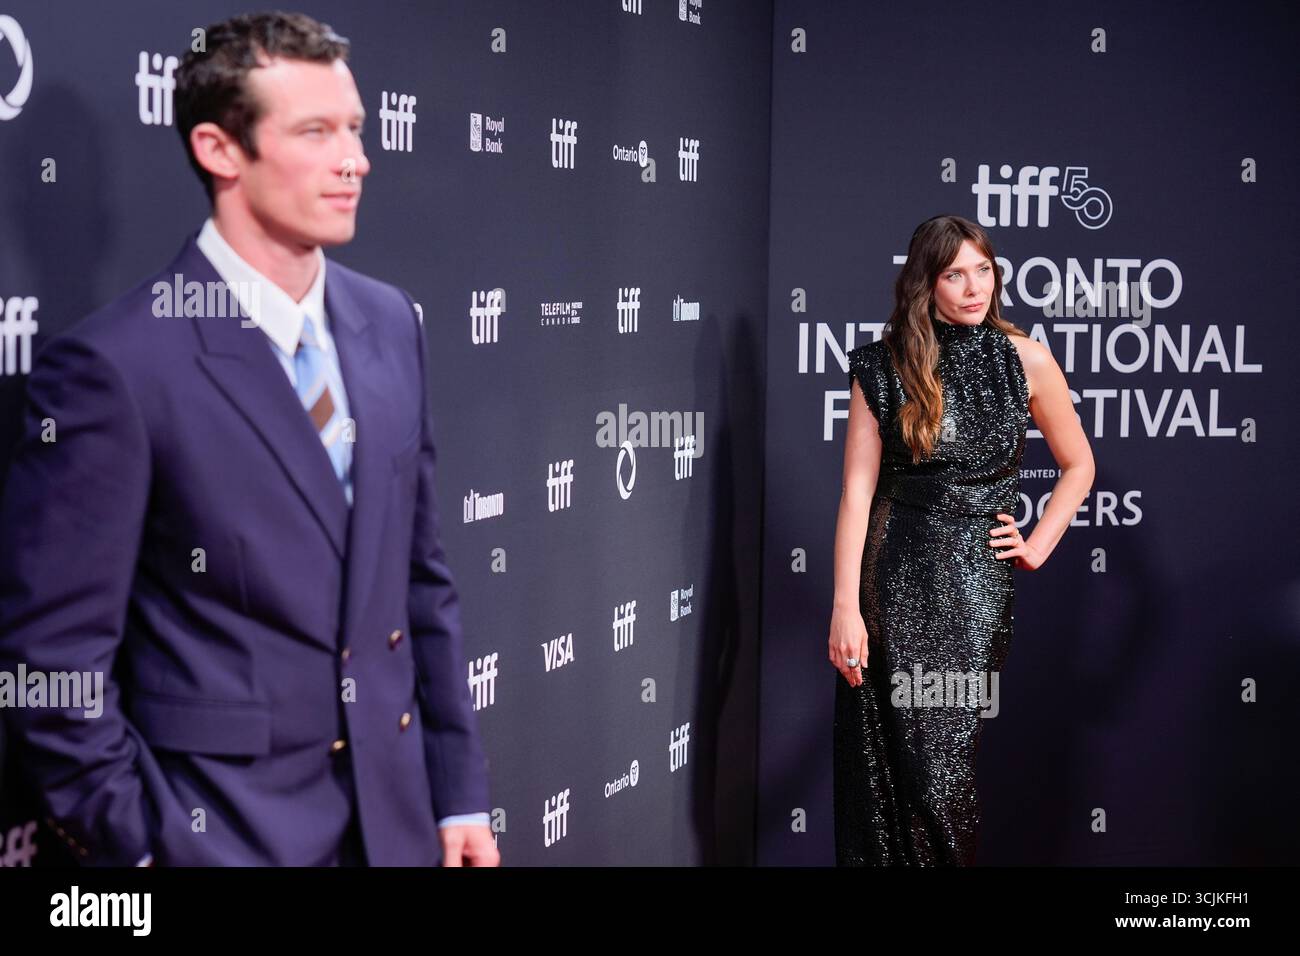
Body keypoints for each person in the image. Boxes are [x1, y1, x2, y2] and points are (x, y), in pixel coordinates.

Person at [0, 12, 498, 867]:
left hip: (397, 827)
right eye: (316, 131)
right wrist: (149, 847)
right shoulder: (115, 370)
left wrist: (457, 796)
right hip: (222, 838)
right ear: (219, 150)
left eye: (356, 128)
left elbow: (421, 584)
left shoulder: (390, 323)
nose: (356, 159)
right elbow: (53, 667)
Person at [829, 215, 1094, 865]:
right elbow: (858, 493)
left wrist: (1038, 542)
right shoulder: (884, 366)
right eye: (955, 274)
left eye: (984, 270)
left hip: (975, 587)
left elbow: (1079, 463)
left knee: (939, 767)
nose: (975, 288)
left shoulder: (1025, 358)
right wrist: (844, 607)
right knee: (886, 761)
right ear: (927, 284)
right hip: (892, 579)